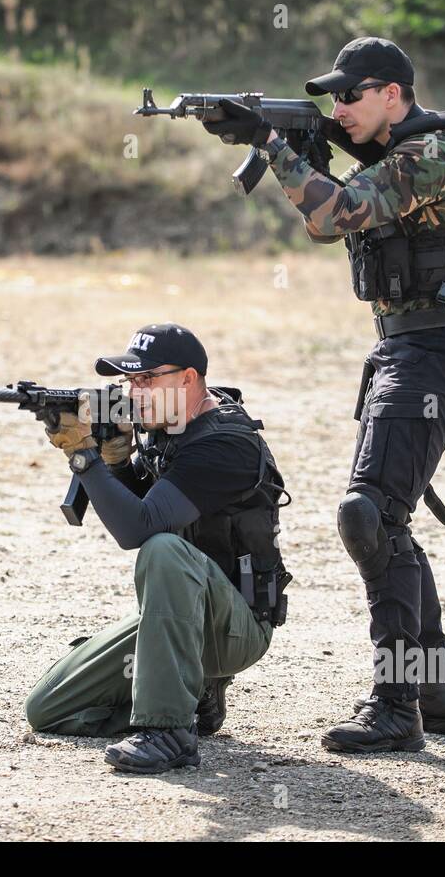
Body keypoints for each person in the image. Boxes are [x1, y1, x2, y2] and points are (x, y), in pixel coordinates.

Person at [203, 37, 445, 753]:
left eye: (351, 96)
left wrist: (276, 143)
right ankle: (433, 691)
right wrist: (291, 141)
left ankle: (397, 709)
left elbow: (332, 214)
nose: (340, 108)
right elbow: (325, 216)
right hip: (407, 348)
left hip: (438, 349)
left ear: (392, 94)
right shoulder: (394, 154)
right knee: (387, 516)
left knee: (368, 516)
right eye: (332, 99)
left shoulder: (434, 155)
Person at [23, 323, 291, 773]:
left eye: (148, 379)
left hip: (236, 630)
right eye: (131, 381)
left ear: (188, 379)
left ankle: (167, 731)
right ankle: (190, 690)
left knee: (162, 550)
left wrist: (85, 456)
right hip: (177, 621)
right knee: (48, 709)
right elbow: (146, 507)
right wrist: (117, 459)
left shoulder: (226, 444)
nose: (136, 391)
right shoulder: (166, 427)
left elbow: (139, 529)